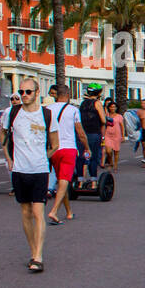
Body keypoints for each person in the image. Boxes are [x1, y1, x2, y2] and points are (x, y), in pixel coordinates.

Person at [1, 78, 55, 272]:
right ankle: (33, 252)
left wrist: (42, 157)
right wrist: (9, 158)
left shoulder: (47, 115)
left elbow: (55, 144)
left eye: (28, 92)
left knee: (38, 212)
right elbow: (4, 138)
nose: (24, 95)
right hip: (19, 171)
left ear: (37, 92)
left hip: (39, 170)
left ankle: (38, 256)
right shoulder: (13, 113)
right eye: (21, 92)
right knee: (25, 212)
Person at [45, 84, 89, 226]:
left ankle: (69, 211)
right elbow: (80, 133)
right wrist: (87, 147)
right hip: (68, 148)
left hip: (54, 149)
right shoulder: (73, 110)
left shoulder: (48, 109)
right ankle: (54, 211)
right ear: (68, 94)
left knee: (61, 181)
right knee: (64, 180)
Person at [76, 84, 106, 182]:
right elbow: (103, 120)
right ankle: (93, 180)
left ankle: (80, 179)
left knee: (81, 156)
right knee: (93, 156)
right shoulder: (97, 103)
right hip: (94, 133)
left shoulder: (83, 103)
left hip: (82, 134)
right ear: (99, 93)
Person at [101, 99, 124, 171]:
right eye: (111, 107)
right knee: (108, 151)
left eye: (114, 107)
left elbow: (122, 126)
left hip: (117, 134)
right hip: (108, 134)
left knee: (116, 151)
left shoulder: (119, 116)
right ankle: (111, 162)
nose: (113, 108)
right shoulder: (106, 116)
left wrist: (123, 136)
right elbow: (104, 125)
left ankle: (116, 165)